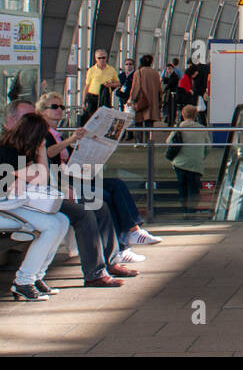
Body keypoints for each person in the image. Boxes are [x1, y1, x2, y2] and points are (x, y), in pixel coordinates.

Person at [0, 105, 135, 288]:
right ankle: (94, 273)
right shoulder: (9, 150)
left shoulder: (23, 146)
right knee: (82, 214)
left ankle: (111, 261)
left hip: (40, 198)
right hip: (27, 203)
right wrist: (41, 151)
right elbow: (40, 178)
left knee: (98, 206)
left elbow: (43, 180)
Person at [35, 93, 158, 258]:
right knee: (104, 196)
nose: (60, 110)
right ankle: (120, 248)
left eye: (62, 107)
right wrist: (71, 140)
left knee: (117, 185)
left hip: (75, 177)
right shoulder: (43, 133)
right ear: (42, 111)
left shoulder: (57, 134)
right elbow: (48, 153)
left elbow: (70, 157)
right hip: (62, 183)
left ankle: (132, 231)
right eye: (54, 107)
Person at [167, 105, 209, 213]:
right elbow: (208, 146)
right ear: (195, 115)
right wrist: (202, 156)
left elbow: (168, 141)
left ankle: (184, 208)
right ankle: (192, 209)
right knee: (193, 188)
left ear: (183, 115)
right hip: (196, 163)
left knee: (182, 187)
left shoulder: (179, 128)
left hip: (180, 163)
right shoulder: (202, 129)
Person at [81, 50, 119, 126]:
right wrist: (83, 101)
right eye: (99, 58)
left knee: (104, 117)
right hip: (92, 96)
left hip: (104, 96)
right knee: (91, 117)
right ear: (96, 59)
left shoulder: (111, 69)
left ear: (106, 58)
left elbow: (118, 83)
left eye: (103, 58)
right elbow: (87, 86)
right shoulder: (92, 70)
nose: (102, 60)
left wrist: (110, 84)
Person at [128, 54, 163, 129]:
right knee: (149, 125)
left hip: (141, 103)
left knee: (138, 124)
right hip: (152, 103)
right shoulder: (156, 73)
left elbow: (135, 88)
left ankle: (139, 140)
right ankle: (148, 139)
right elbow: (159, 89)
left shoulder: (138, 73)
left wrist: (132, 100)